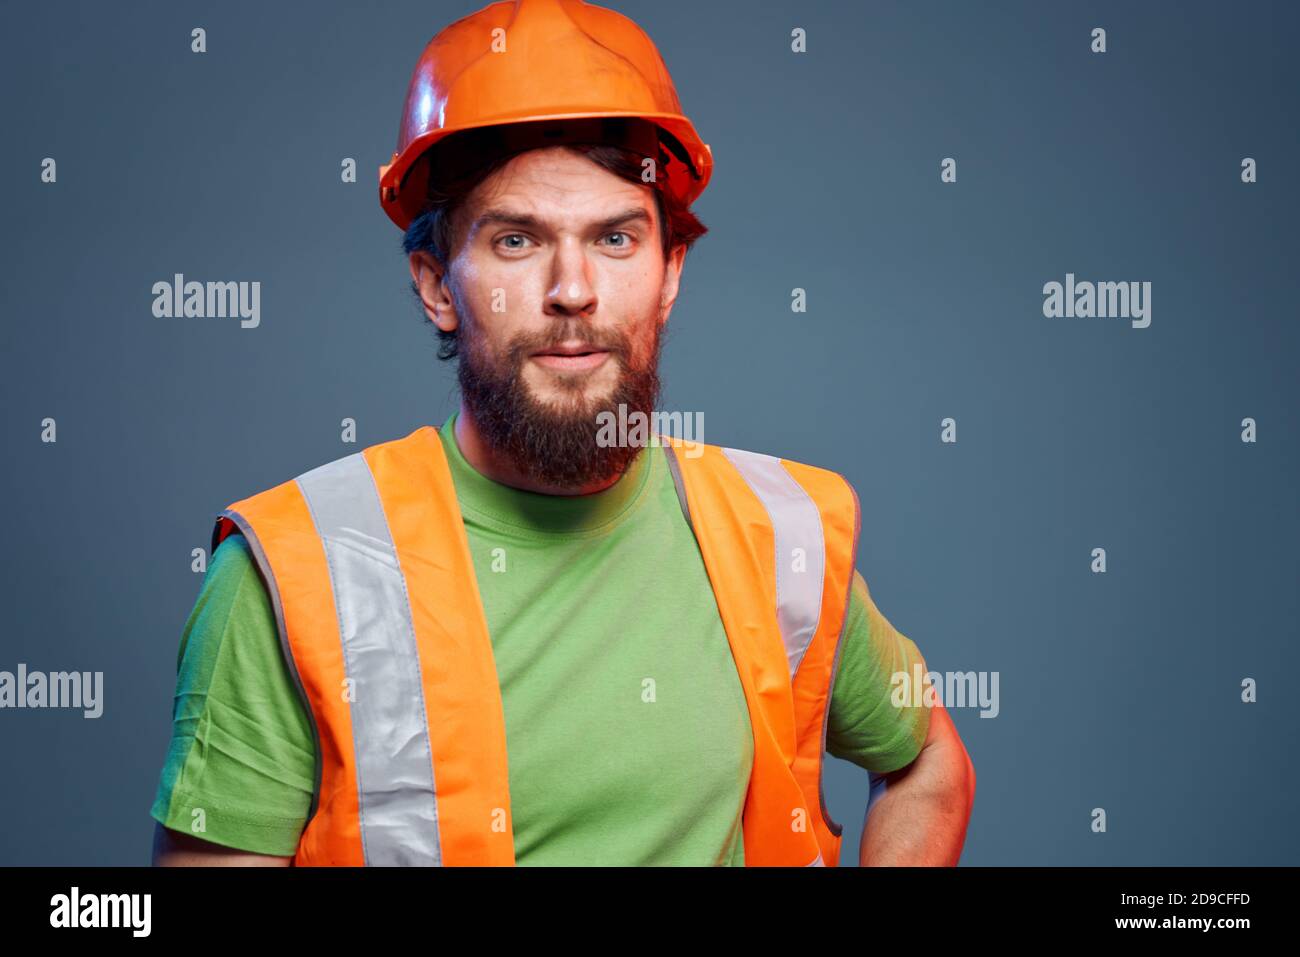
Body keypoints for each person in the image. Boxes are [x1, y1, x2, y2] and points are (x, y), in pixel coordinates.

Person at [150, 0, 974, 867]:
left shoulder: (780, 538)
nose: (572, 289)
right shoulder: (296, 574)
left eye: (616, 238)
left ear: (668, 274)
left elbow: (931, 766)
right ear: (436, 285)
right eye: (516, 240)